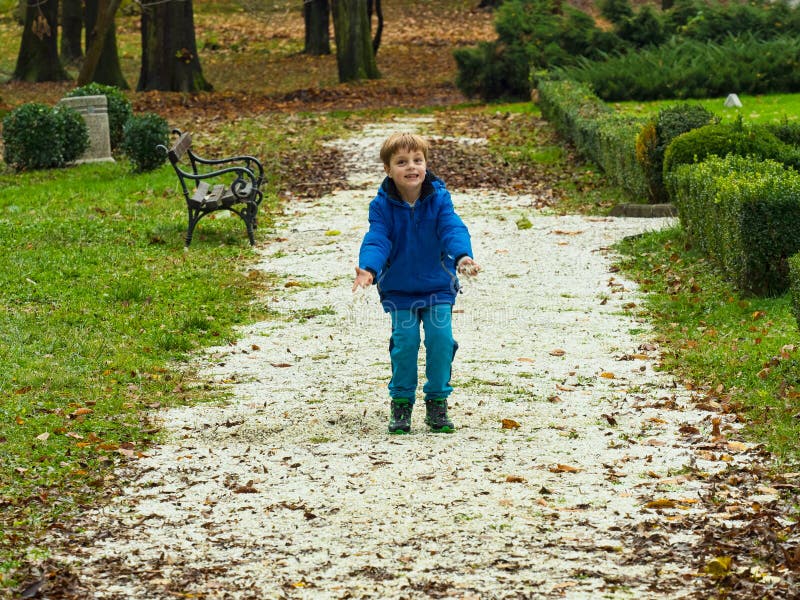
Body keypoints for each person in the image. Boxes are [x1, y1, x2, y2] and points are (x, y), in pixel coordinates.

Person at [352, 132, 480, 434]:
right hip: (399, 288)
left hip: (437, 285)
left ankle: (437, 401)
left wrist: (462, 257)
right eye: (401, 162)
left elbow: (452, 228)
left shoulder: (439, 199)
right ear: (388, 169)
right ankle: (401, 402)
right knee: (405, 342)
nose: (411, 167)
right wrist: (369, 268)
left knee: (440, 340)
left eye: (417, 160)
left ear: (425, 164)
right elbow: (378, 238)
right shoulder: (381, 206)